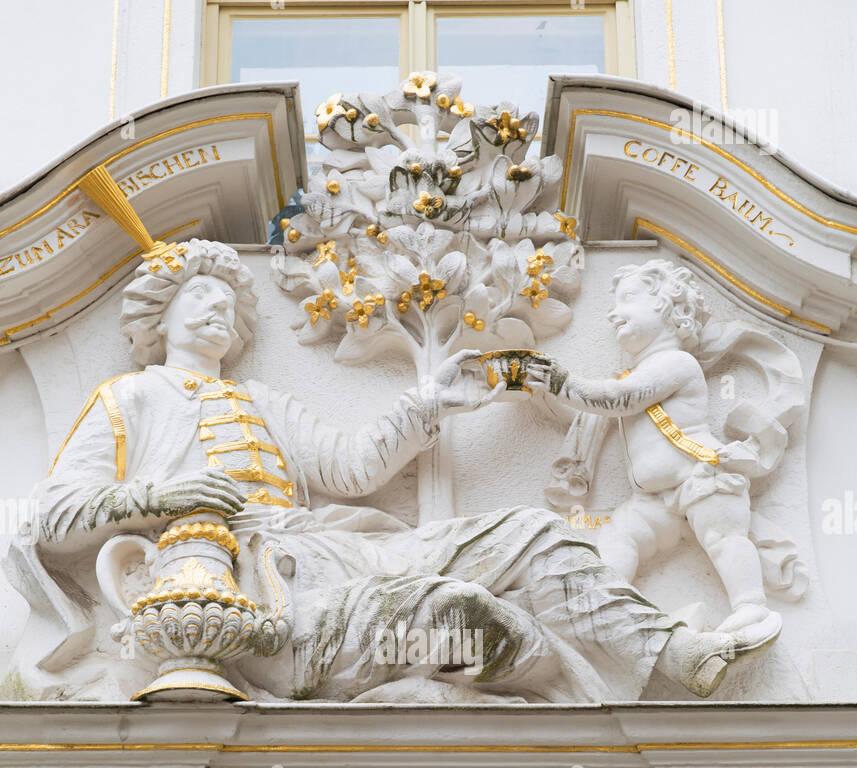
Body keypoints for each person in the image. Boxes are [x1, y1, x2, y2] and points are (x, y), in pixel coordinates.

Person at [13, 239, 781, 703]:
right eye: (198, 300)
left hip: (335, 548)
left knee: (533, 534)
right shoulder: (131, 398)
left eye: (226, 303)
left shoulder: (262, 401)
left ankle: (677, 656)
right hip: (256, 592)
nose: (216, 312)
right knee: (471, 621)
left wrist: (429, 404)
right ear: (161, 317)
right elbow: (53, 515)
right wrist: (162, 495)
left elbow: (350, 468)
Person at [526, 259, 793, 633]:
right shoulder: (634, 374)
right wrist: (539, 386)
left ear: (667, 306)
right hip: (654, 499)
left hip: (701, 478)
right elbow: (595, 406)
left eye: (627, 300)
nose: (613, 314)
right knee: (619, 536)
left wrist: (563, 383)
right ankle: (600, 606)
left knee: (723, 538)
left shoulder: (674, 362)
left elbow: (620, 399)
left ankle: (751, 607)